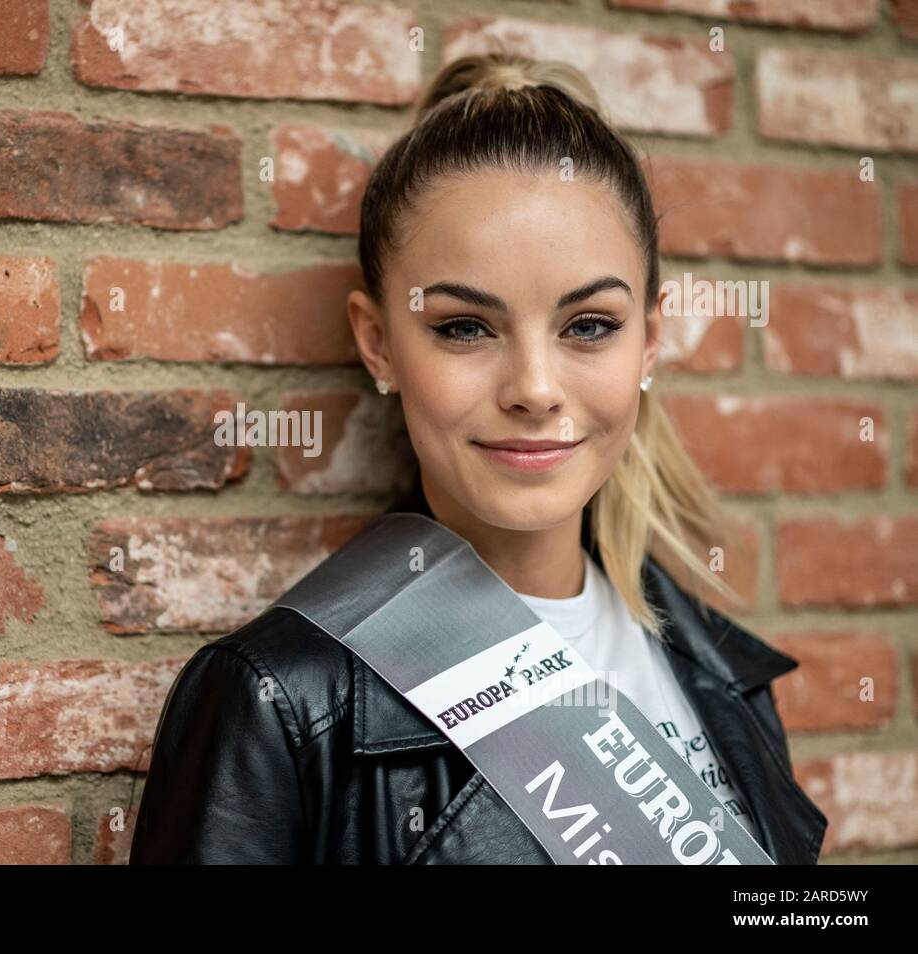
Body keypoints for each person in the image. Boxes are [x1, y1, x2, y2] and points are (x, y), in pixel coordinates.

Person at [127, 52, 828, 865]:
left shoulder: (725, 676)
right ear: (379, 343)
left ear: (651, 340)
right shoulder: (281, 703)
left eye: (590, 325)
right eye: (465, 326)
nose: (534, 387)